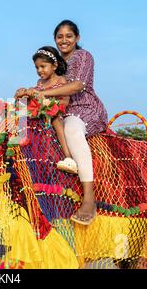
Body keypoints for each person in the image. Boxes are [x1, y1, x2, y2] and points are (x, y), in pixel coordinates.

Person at [26, 20, 108, 225]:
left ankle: (89, 199)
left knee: (71, 130)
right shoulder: (53, 63)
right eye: (60, 37)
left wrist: (41, 93)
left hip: (84, 109)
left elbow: (77, 86)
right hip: (59, 112)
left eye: (69, 36)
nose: (64, 40)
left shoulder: (83, 56)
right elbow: (43, 86)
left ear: (77, 38)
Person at [15, 46, 78, 175]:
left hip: (58, 113)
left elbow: (65, 101)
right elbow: (35, 95)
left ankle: (68, 157)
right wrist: (24, 93)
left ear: (54, 66)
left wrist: (49, 103)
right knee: (21, 105)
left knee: (55, 118)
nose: (39, 70)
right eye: (37, 67)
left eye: (43, 66)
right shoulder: (40, 82)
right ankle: (20, 139)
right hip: (42, 113)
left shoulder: (61, 80)